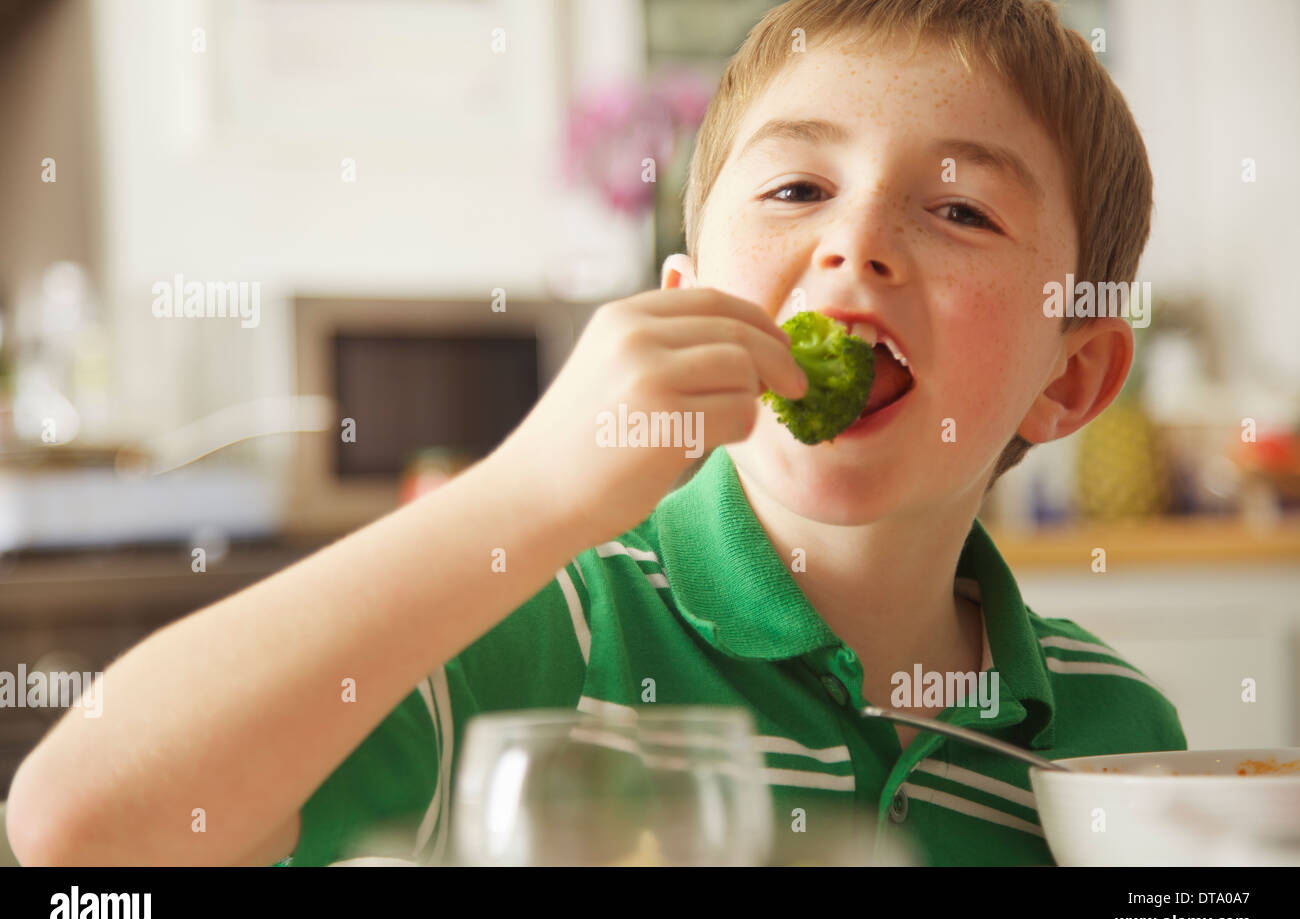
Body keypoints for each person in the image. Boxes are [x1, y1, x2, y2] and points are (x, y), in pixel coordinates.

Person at [7, 0, 1185, 867]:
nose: (855, 243)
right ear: (682, 304)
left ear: (1070, 374)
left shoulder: (1117, 732)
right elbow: (80, 831)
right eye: (795, 189)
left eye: (961, 209)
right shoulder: (540, 636)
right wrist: (529, 492)